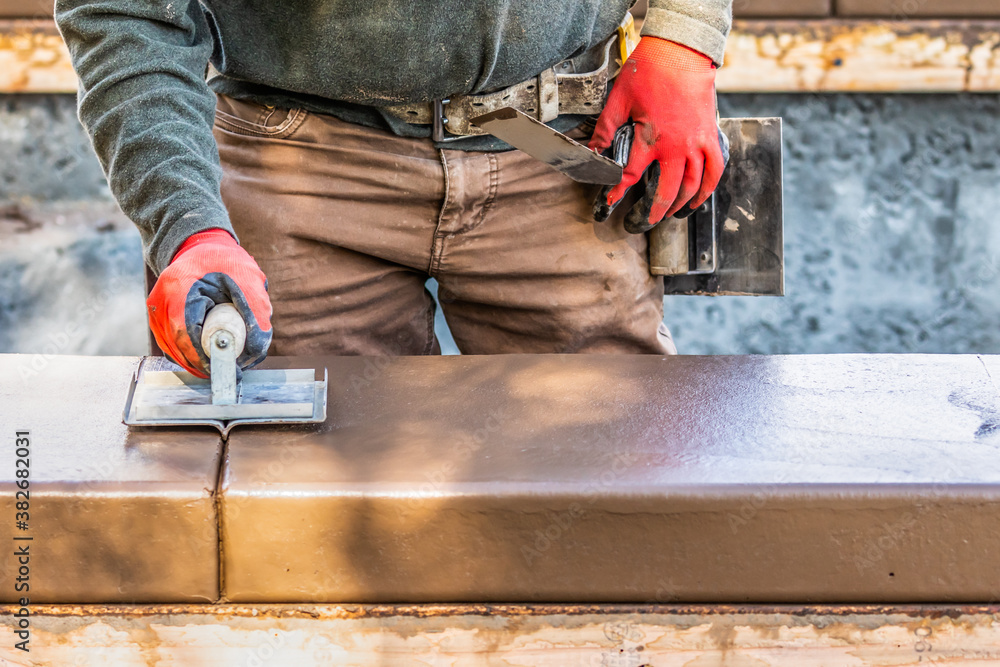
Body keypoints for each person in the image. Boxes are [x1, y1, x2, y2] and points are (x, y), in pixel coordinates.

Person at [55, 0, 732, 377]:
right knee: (296, 500)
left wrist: (685, 40)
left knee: (612, 485)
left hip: (556, 147)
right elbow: (124, 12)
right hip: (298, 161)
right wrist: (190, 226)